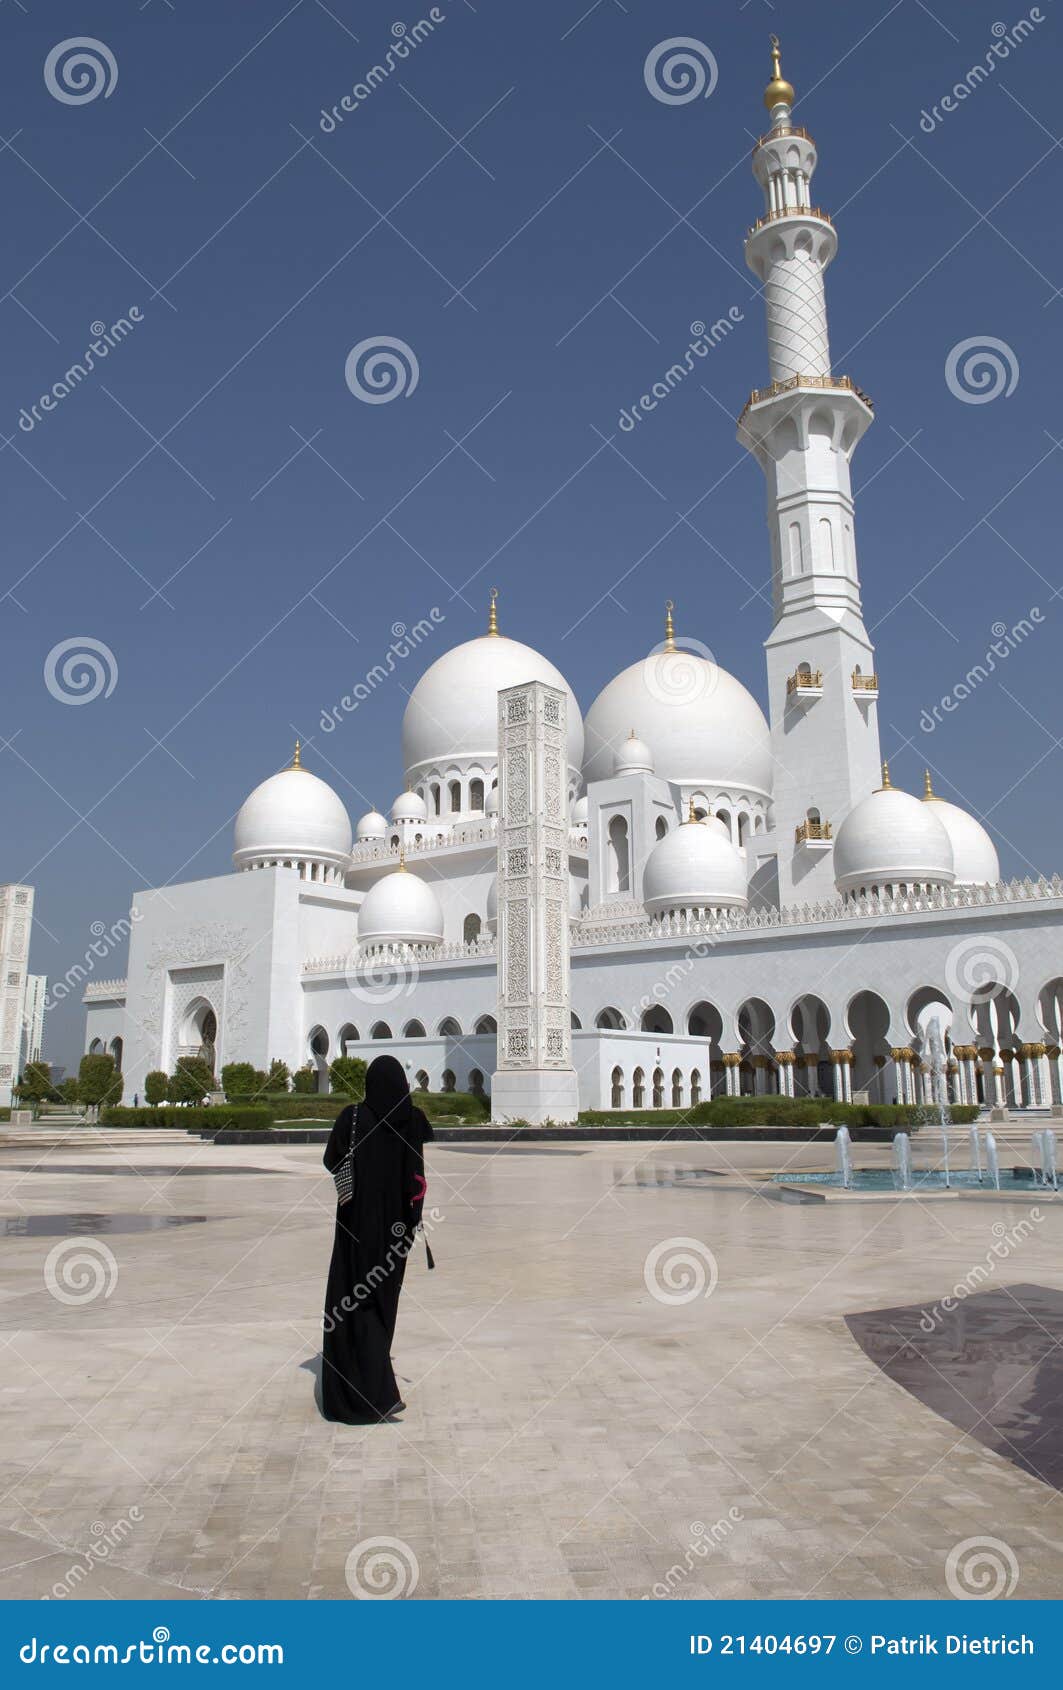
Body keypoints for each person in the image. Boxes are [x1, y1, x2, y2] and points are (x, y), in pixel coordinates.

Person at [320, 1055, 433, 1423]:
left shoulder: (351, 1118)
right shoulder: (411, 1121)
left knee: (353, 1304)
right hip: (394, 1235)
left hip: (355, 1231)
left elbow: (331, 1160)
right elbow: (417, 1181)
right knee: (381, 1307)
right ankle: (379, 1394)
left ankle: (354, 1393)